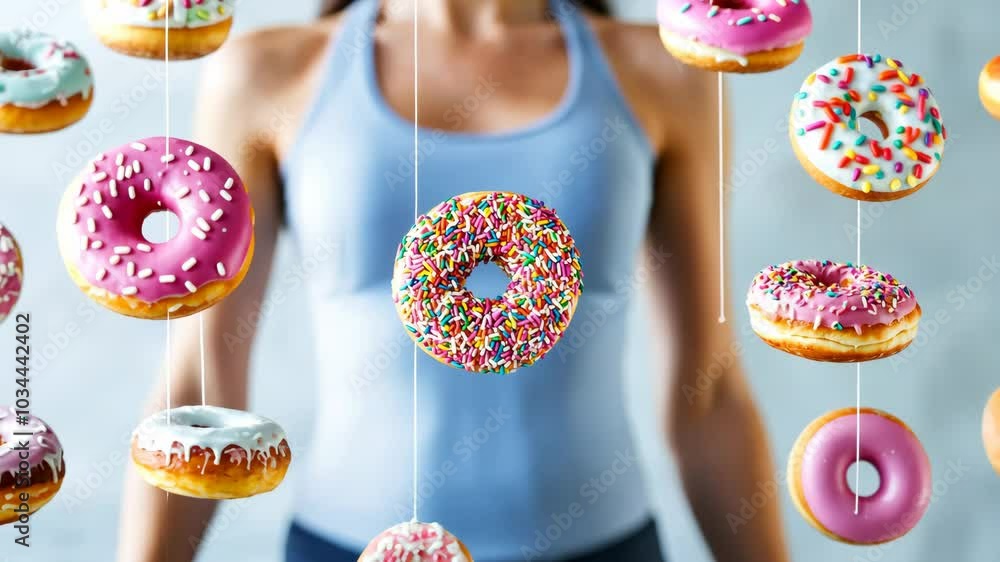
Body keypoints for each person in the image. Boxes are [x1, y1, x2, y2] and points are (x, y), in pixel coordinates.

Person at [116, 0, 790, 560]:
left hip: (605, 547)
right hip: (344, 546)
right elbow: (197, 386)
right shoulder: (269, 72)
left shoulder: (664, 69)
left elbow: (709, 390)